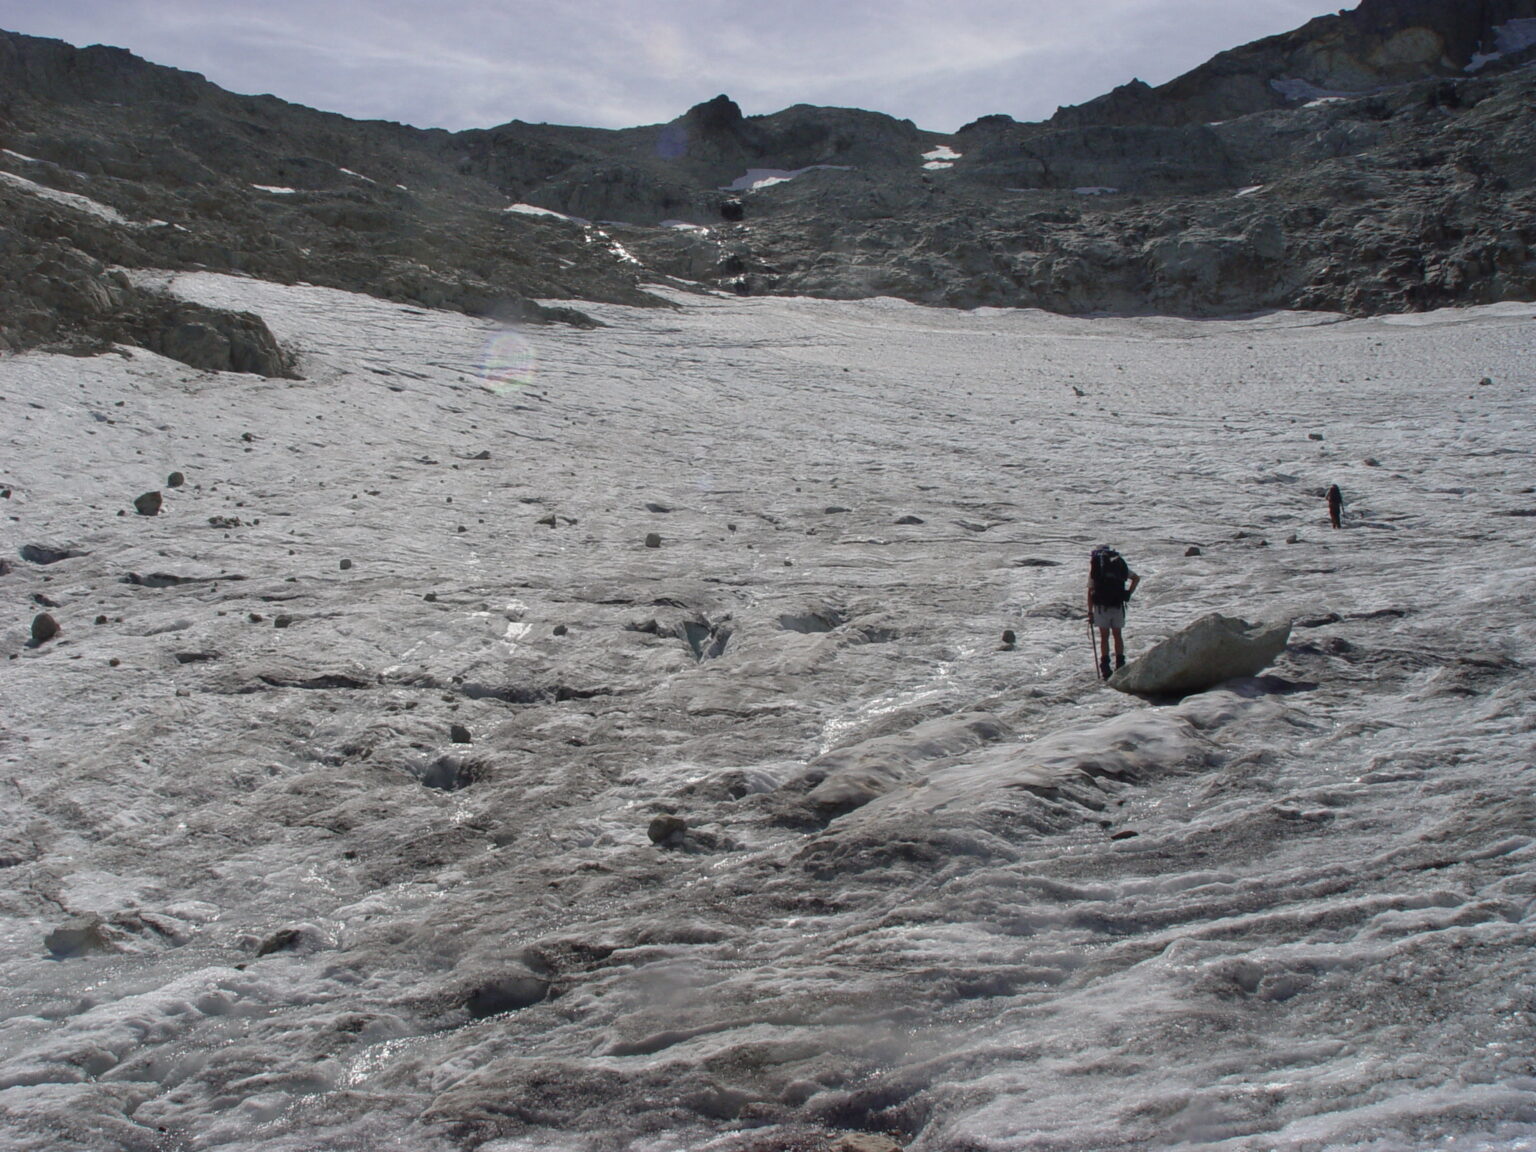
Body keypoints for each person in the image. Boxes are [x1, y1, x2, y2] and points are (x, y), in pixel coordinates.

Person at [1088, 545, 1139, 680]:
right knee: (1118, 635)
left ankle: (1105, 668)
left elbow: (1090, 590)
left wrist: (1090, 612)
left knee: (1104, 637)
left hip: (1101, 607)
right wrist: (1128, 594)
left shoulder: (1097, 567)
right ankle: (1120, 665)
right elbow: (1136, 578)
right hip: (1117, 605)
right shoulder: (1119, 564)